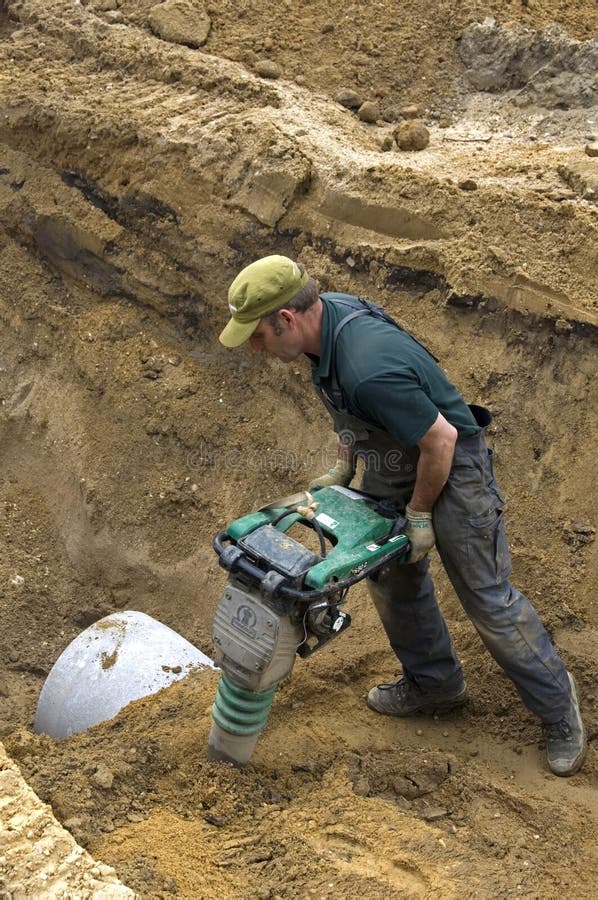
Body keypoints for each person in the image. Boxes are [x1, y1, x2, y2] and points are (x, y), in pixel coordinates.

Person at [218, 254, 586, 776]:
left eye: (256, 335)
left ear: (286, 319)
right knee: (390, 575)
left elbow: (443, 440)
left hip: (451, 467)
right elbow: (348, 408)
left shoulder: (368, 364)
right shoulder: (321, 333)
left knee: (486, 597)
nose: (255, 348)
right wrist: (344, 464)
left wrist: (419, 515)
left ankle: (558, 708)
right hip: (396, 457)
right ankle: (436, 685)